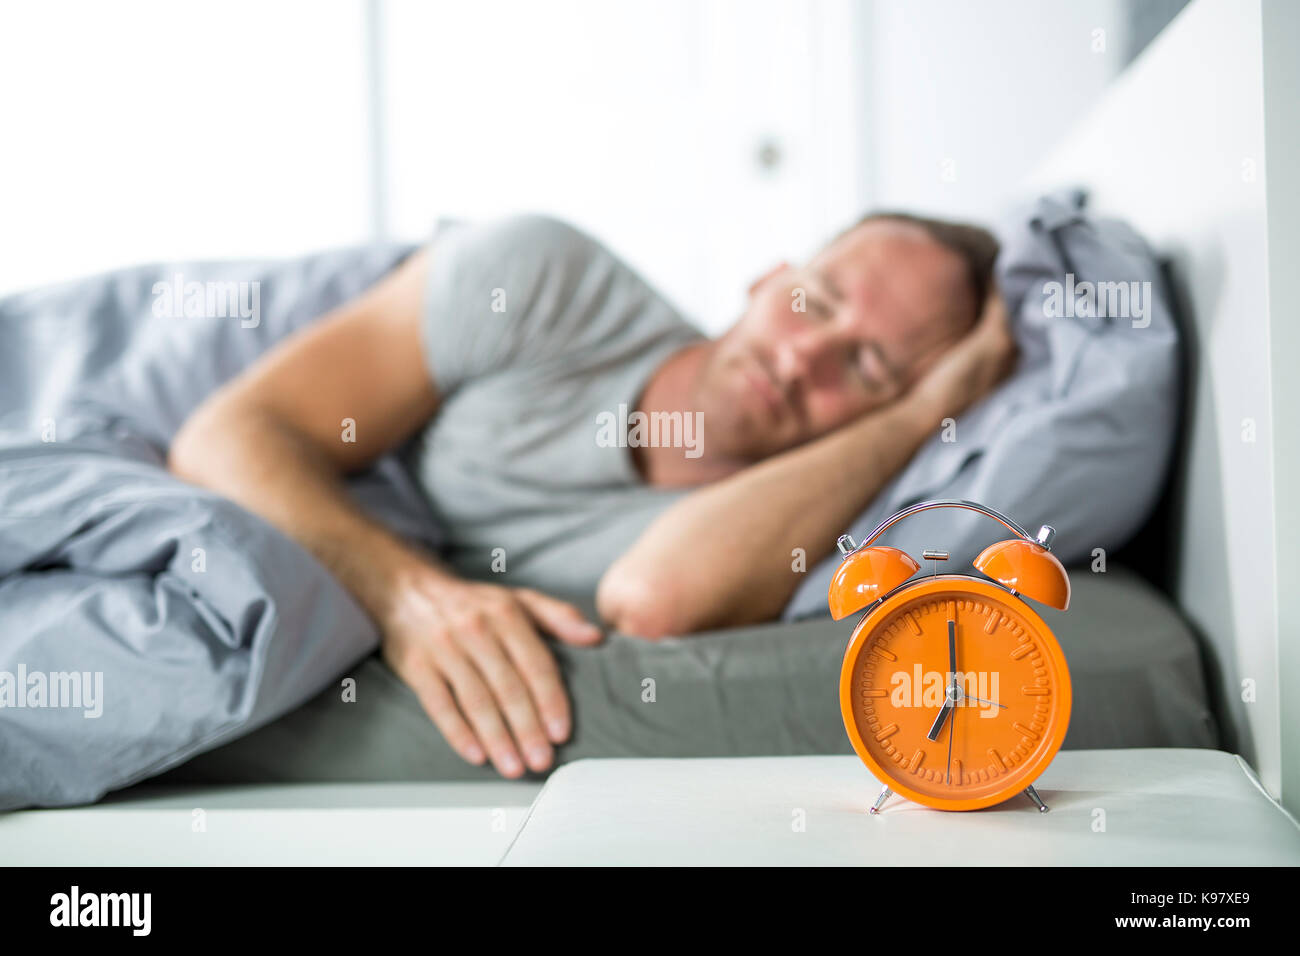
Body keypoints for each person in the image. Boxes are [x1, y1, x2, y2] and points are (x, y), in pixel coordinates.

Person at [167, 211, 1016, 780]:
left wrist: (926, 410)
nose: (803, 361)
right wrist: (408, 597)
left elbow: (653, 599)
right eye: (812, 302)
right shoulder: (544, 278)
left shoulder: (784, 524)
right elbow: (225, 435)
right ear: (768, 278)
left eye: (867, 367)